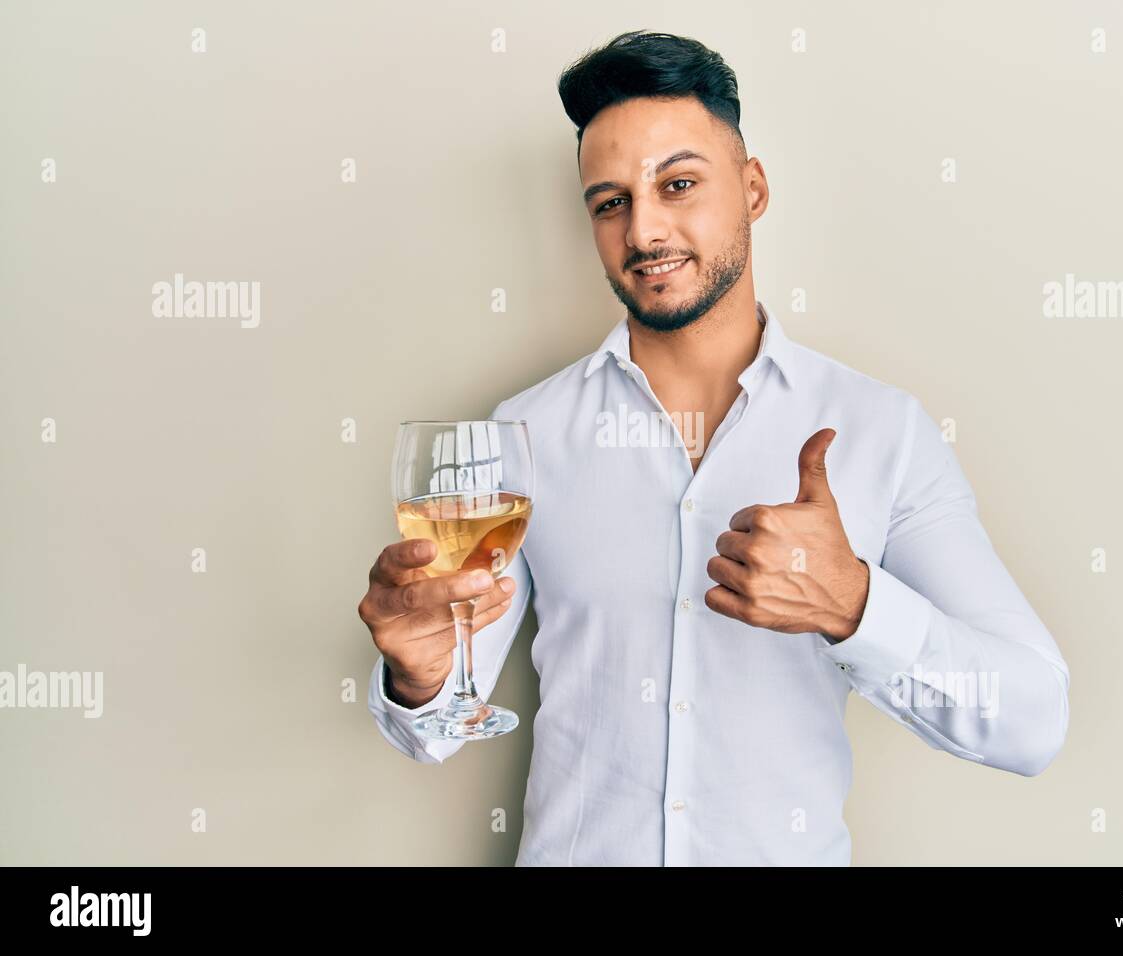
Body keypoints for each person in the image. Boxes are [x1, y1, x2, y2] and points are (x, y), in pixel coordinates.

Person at [359, 30, 1069, 866]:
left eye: (679, 183)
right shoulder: (521, 435)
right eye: (610, 201)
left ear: (753, 188)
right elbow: (434, 731)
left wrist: (853, 605)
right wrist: (417, 677)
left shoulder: (882, 431)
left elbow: (1032, 720)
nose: (645, 229)